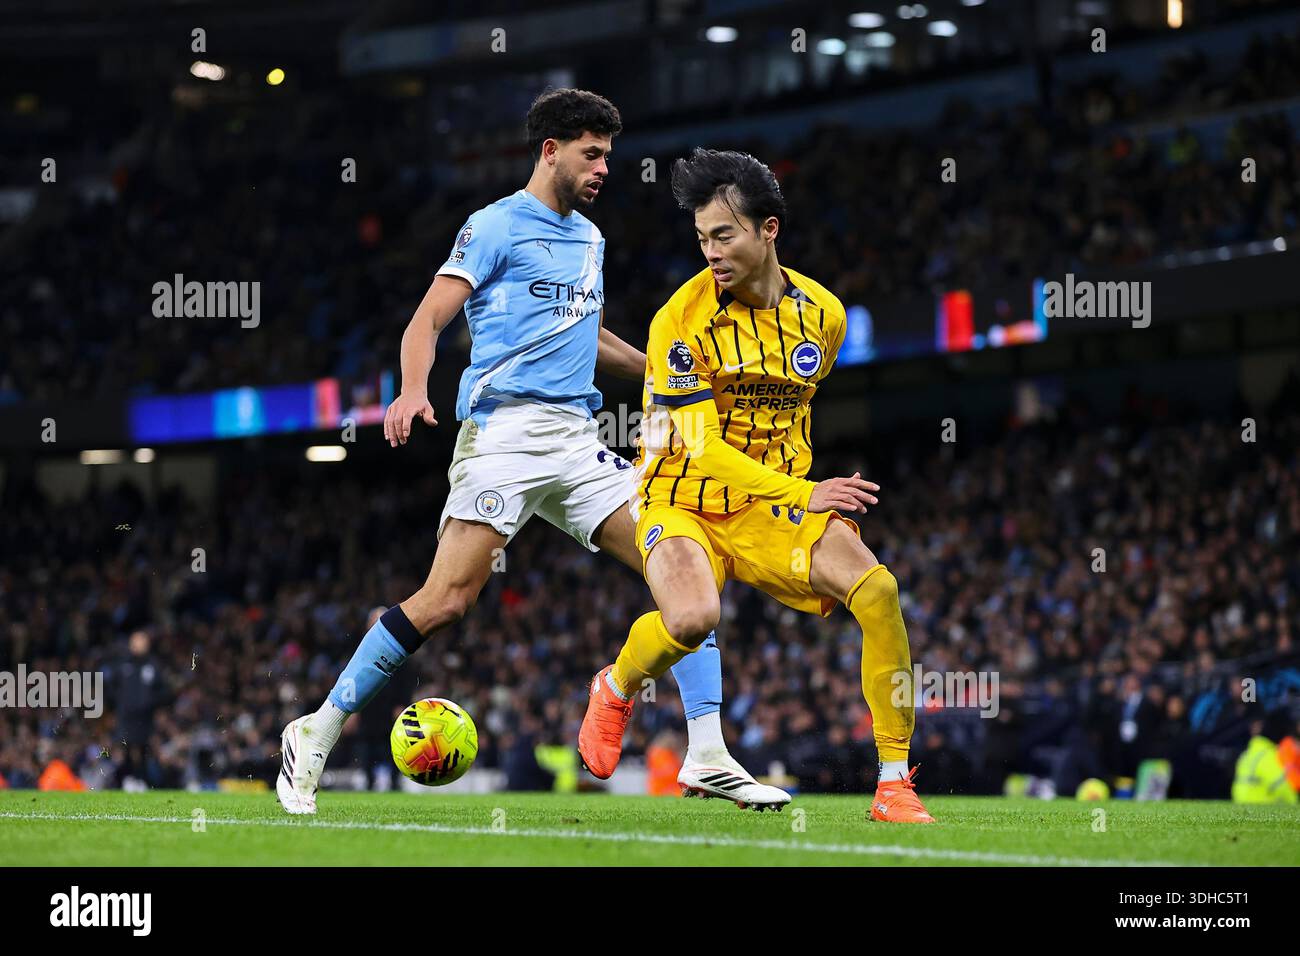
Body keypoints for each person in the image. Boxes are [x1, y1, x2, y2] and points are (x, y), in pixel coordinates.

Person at [277, 91, 786, 814]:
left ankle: (707, 754)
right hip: (504, 437)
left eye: (608, 153)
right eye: (592, 153)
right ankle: (316, 731)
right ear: (551, 151)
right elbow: (426, 319)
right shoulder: (492, 227)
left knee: (683, 556)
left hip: (578, 440)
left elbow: (590, 337)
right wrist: (411, 389)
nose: (604, 166)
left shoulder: (591, 238)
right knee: (446, 601)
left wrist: (672, 376)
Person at [577, 147, 935, 823]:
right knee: (692, 618)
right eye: (702, 238)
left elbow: (790, 405)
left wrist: (793, 492)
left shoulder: (823, 317)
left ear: (768, 229)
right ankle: (618, 683)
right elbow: (704, 451)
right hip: (682, 496)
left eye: (725, 234)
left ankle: (892, 783)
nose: (711, 251)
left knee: (879, 589)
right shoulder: (679, 322)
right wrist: (805, 493)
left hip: (769, 506)